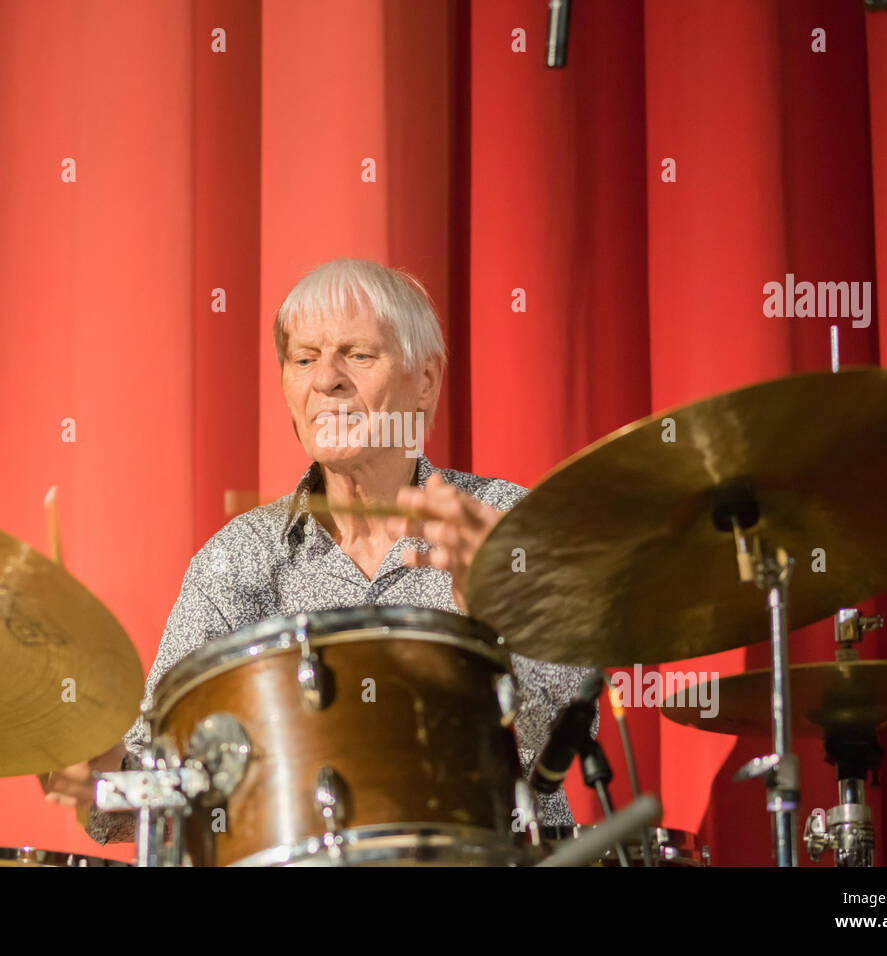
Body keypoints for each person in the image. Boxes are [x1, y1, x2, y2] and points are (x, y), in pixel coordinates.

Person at [40, 257, 592, 844]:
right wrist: (97, 760)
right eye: (303, 359)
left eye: (357, 354)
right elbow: (163, 776)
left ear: (425, 380)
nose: (326, 379)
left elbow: (553, 748)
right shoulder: (240, 556)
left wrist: (497, 606)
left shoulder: (502, 521)